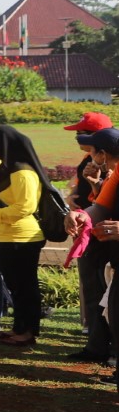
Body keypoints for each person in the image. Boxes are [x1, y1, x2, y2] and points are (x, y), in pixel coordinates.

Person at [0, 126, 50, 347]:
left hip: (23, 239)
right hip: (6, 237)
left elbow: (25, 206)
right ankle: (19, 327)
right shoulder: (9, 168)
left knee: (25, 287)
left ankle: (28, 331)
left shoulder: (23, 171)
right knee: (15, 286)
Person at [66, 112, 114, 363]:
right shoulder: (92, 161)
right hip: (92, 233)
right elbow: (97, 201)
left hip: (103, 239)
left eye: (83, 134)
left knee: (105, 295)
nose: (77, 137)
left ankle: (105, 349)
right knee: (98, 294)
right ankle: (97, 346)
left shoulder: (109, 167)